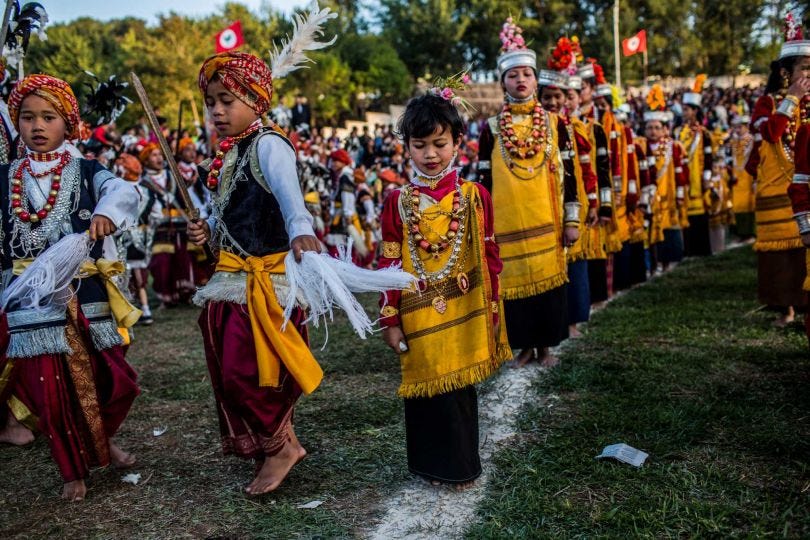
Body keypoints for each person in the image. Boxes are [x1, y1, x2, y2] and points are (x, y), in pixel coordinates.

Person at [189, 51, 324, 495]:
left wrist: (301, 232)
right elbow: (227, 218)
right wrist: (205, 230)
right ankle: (280, 442)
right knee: (230, 368)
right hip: (232, 282)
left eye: (226, 99)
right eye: (211, 102)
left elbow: (290, 199)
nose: (217, 110)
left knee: (246, 372)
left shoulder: (269, 144)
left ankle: (279, 447)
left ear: (254, 98)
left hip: (266, 283)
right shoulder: (229, 154)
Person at [0, 74, 141, 501]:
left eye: (48, 117)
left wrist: (106, 213)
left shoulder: (85, 169)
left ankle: (102, 438)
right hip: (30, 298)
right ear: (17, 123)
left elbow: (124, 191)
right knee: (51, 387)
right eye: (27, 118)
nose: (37, 126)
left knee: (113, 375)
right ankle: (71, 470)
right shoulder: (5, 176)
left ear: (69, 124)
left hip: (85, 291)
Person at [377, 80, 509, 488]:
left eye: (439, 143)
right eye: (420, 145)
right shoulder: (395, 202)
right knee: (423, 388)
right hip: (416, 315)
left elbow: (490, 258)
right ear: (407, 147)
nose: (430, 155)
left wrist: (492, 308)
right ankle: (428, 466)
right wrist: (390, 318)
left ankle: (461, 467)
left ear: (457, 143)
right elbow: (388, 263)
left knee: (458, 394)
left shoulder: (474, 196)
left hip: (465, 311)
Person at [478, 18, 580, 367]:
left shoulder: (555, 124)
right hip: (506, 229)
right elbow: (483, 184)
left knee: (549, 286)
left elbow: (571, 177)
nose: (521, 80)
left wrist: (572, 220)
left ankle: (547, 347)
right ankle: (523, 347)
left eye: (527, 74)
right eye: (513, 75)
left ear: (536, 79)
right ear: (503, 82)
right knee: (513, 289)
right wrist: (483, 228)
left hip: (548, 223)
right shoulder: (491, 128)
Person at [750, 13, 809, 326]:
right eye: (804, 68)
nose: (809, 74)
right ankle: (786, 309)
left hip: (804, 186)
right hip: (776, 186)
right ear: (786, 73)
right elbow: (772, 134)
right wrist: (793, 99)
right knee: (782, 257)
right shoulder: (767, 103)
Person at [140, 142, 195, 306]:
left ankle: (185, 294)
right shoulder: (143, 182)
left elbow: (185, 194)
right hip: (159, 227)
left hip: (179, 225)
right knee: (161, 263)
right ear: (146, 160)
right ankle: (166, 296)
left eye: (159, 154)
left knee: (184, 260)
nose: (158, 158)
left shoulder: (173, 175)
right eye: (154, 155)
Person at [642, 86, 689, 272]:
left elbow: (680, 173)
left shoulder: (674, 147)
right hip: (650, 199)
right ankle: (654, 266)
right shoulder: (641, 146)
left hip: (668, 197)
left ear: (664, 129)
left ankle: (669, 264)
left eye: (656, 128)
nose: (653, 131)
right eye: (649, 128)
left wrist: (679, 195)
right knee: (651, 233)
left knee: (669, 231)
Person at [676, 76, 714, 257]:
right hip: (684, 177)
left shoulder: (703, 133)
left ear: (694, 111)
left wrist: (707, 178)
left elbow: (708, 156)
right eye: (683, 109)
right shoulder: (679, 131)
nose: (683, 113)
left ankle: (702, 250)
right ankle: (688, 250)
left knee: (699, 215)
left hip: (698, 179)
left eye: (686, 110)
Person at [728, 115, 756, 241]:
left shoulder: (752, 140)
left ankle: (750, 233)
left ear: (746, 127)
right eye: (735, 127)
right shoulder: (734, 142)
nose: (737, 130)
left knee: (749, 205)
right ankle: (741, 233)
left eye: (740, 127)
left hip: (748, 177)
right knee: (738, 205)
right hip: (737, 178)